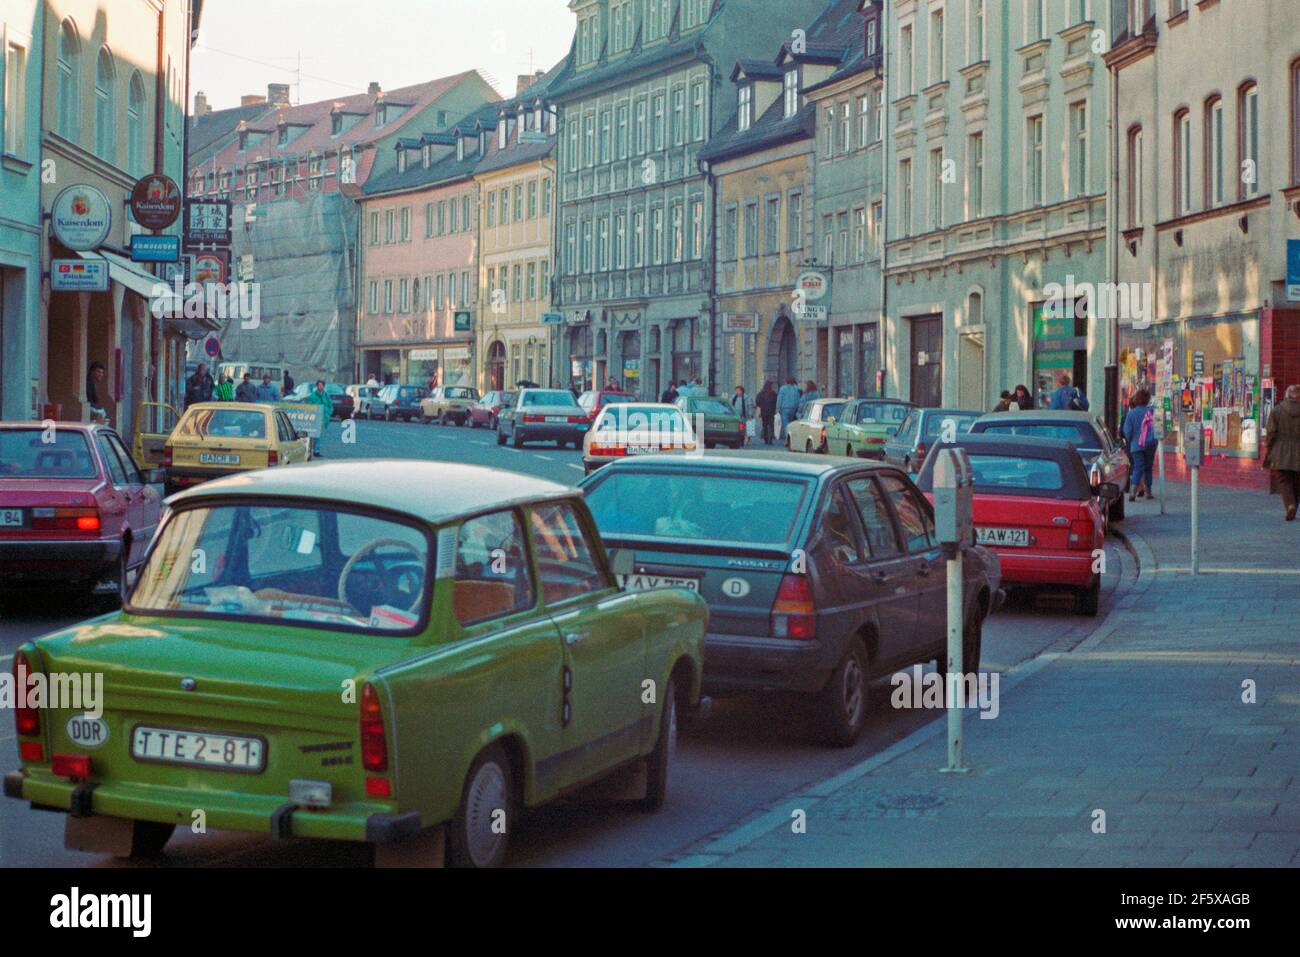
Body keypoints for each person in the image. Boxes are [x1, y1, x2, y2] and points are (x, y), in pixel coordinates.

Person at [1262, 384, 1300, 521]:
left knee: (1284, 479)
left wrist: (1269, 446)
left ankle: (1290, 505)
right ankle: (1294, 506)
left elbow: (1271, 432)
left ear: (1286, 395)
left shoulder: (1277, 411)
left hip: (1280, 450)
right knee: (1296, 480)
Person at [1122, 389, 1159, 502]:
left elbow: (1127, 431)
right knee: (1148, 467)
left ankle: (1133, 491)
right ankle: (1148, 491)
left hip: (1136, 445)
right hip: (1150, 444)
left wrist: (1132, 440)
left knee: (1138, 467)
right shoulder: (1151, 411)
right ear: (1147, 399)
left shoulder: (1131, 414)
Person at [305, 379, 333, 457]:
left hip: (324, 418)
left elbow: (330, 405)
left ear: (324, 386)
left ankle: (316, 450)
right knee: (313, 435)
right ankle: (311, 449)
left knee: (319, 435)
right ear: (317, 386)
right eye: (319, 385)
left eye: (322, 385)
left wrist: (328, 413)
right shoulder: (312, 396)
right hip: (315, 418)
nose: (320, 387)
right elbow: (309, 407)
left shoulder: (326, 395)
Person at [776, 377, 801, 441]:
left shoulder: (783, 388)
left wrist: (777, 409)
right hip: (794, 409)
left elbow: (779, 399)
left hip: (785, 408)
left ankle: (787, 439)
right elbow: (798, 399)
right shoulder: (796, 388)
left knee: (786, 425)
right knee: (791, 424)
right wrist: (797, 408)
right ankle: (792, 439)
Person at [756, 381, 778, 445]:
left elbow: (757, 402)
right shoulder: (773, 394)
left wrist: (761, 405)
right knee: (771, 426)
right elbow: (776, 402)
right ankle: (770, 439)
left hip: (764, 412)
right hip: (771, 412)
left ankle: (766, 439)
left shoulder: (761, 394)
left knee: (765, 426)